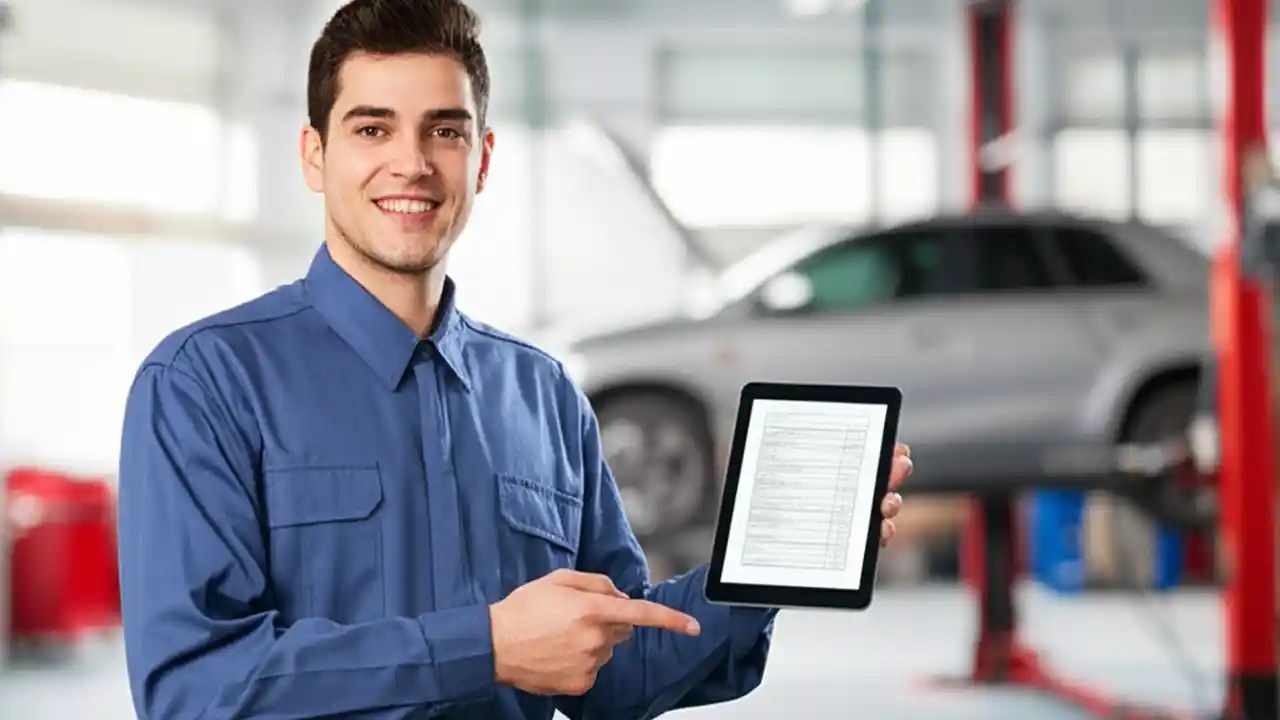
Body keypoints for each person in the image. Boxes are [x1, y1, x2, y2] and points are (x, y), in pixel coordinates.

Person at [115, 0, 913, 717]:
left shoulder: (543, 394)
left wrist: (770, 565)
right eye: (372, 128)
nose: (413, 162)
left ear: (483, 158)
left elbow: (617, 672)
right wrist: (487, 646)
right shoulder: (205, 383)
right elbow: (194, 691)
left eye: (445, 130)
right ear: (314, 155)